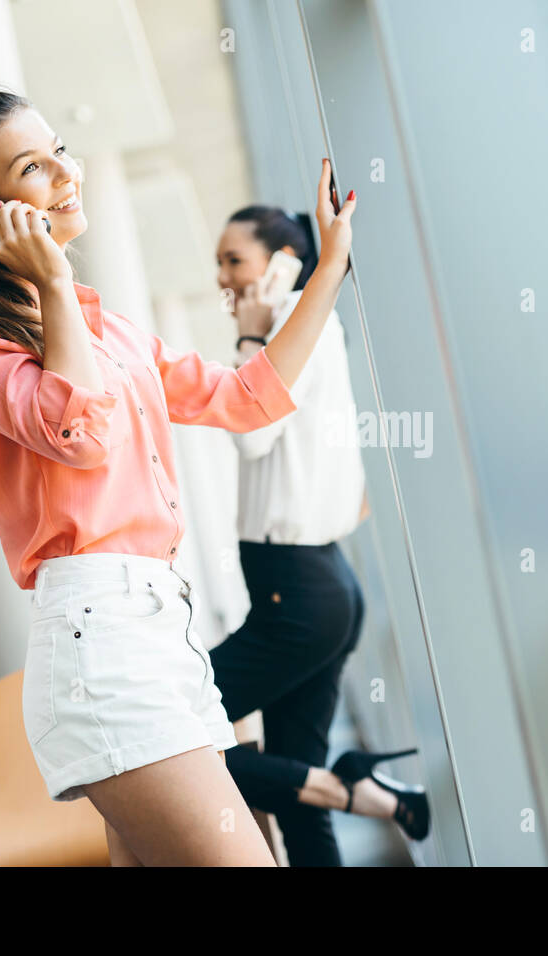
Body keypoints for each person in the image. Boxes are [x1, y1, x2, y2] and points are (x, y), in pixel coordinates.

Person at [0, 87, 355, 866]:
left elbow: (246, 398)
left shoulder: (109, 328)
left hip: (163, 635)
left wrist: (328, 268)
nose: (67, 173)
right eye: (34, 166)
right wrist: (55, 284)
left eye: (61, 149)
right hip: (102, 645)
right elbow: (81, 435)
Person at [211, 205, 429, 866]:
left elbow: (252, 434)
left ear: (283, 264)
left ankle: (351, 789)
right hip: (316, 589)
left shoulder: (288, 328)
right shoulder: (310, 326)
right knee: (299, 815)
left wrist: (250, 339)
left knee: (165, 733)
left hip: (300, 598)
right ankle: (350, 787)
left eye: (234, 260)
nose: (221, 276)